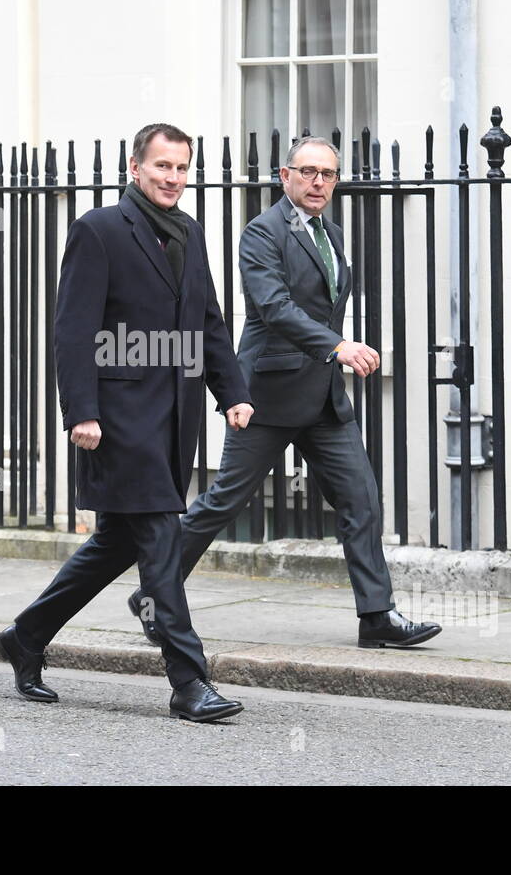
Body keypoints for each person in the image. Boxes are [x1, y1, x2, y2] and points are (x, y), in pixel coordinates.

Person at [128, 136, 441, 650]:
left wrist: (332, 352)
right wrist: (338, 346)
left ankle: (377, 615)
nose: (319, 182)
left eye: (329, 175)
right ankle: (153, 596)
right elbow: (272, 307)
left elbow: (323, 305)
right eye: (309, 172)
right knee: (223, 502)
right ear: (285, 175)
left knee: (360, 498)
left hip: (322, 398)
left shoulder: (332, 234)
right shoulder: (262, 232)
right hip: (269, 394)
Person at [0, 122, 255, 722]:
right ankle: (189, 682)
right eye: (162, 166)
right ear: (135, 167)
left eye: (182, 168)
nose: (173, 178)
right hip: (118, 421)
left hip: (174, 421)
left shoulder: (189, 232)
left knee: (115, 543)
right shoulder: (100, 230)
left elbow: (208, 322)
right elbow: (73, 328)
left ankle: (25, 636)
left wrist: (230, 392)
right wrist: (80, 410)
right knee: (162, 541)